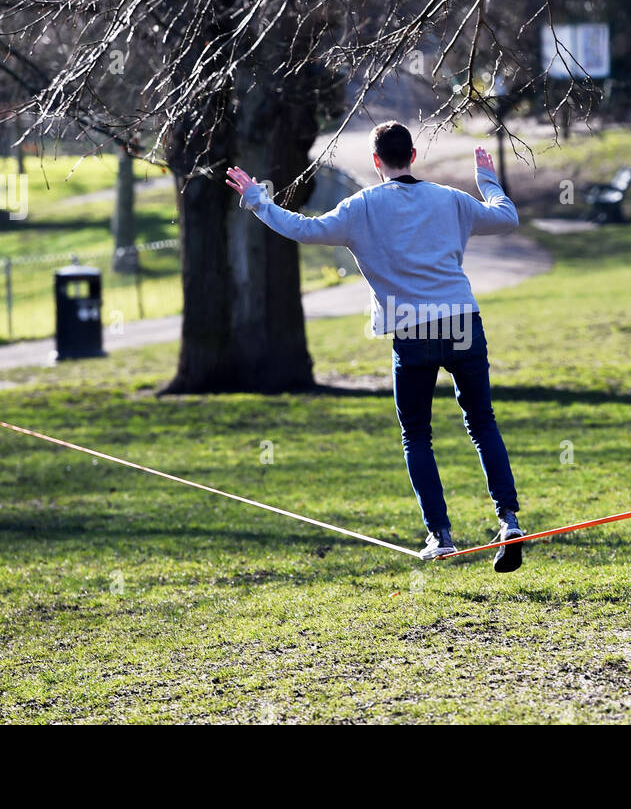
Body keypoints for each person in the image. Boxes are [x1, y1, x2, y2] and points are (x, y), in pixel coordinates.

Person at [224, 121, 526, 571]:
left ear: (375, 161)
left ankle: (440, 535)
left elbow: (302, 229)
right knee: (482, 422)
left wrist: (258, 201)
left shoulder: (361, 207)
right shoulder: (450, 199)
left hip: (412, 331)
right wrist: (488, 181)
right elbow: (506, 217)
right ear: (413, 156)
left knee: (417, 434)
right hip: (463, 321)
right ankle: (509, 520)